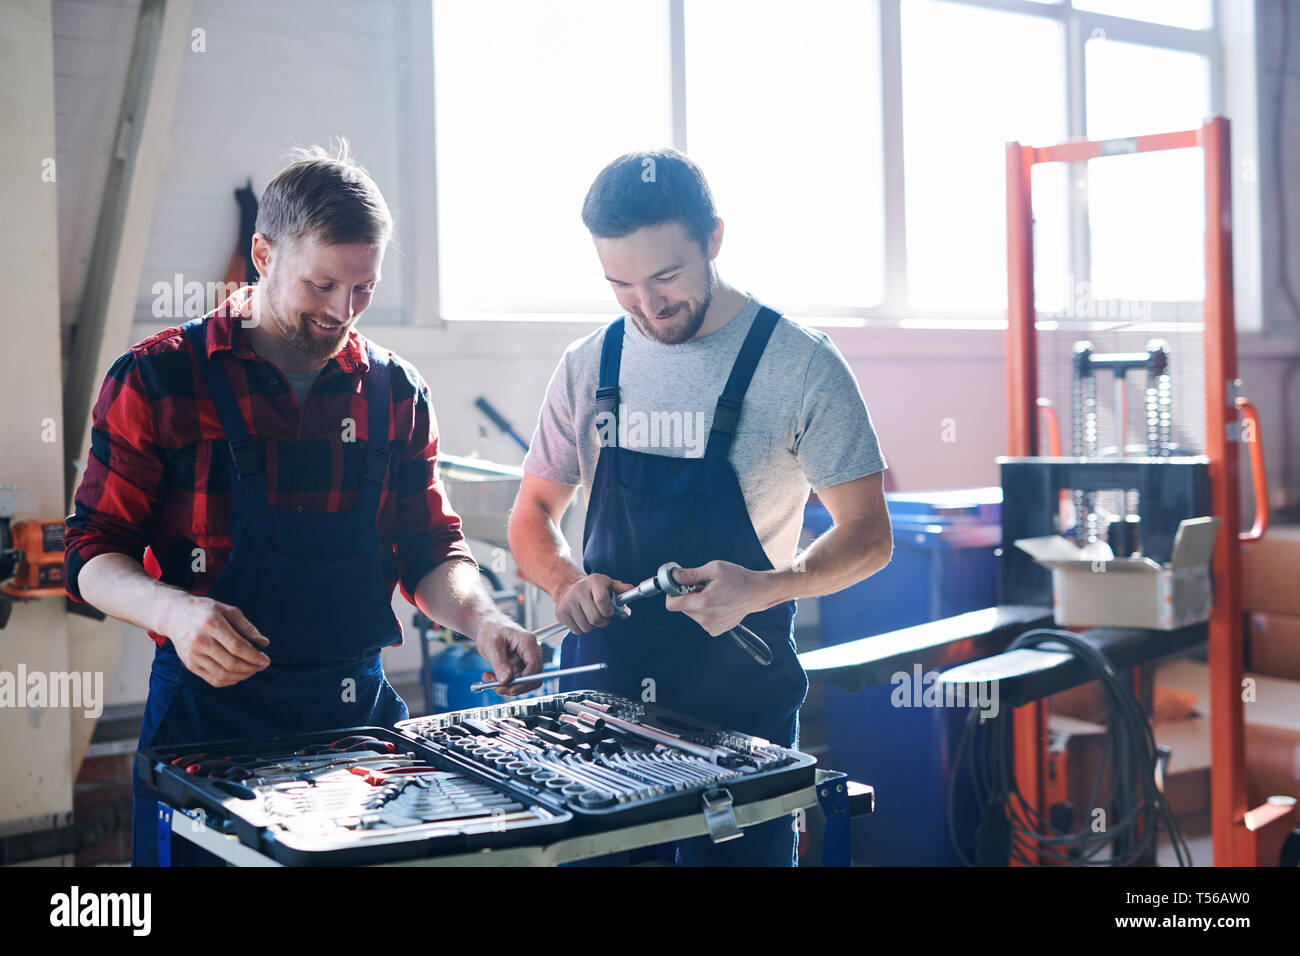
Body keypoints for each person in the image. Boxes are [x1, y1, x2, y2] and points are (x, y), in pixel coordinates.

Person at [64, 142, 540, 866]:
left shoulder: (395, 393)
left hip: (356, 725)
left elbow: (431, 549)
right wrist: (174, 612)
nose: (341, 312)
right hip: (205, 724)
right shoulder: (158, 379)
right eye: (321, 286)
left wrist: (483, 617)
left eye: (362, 290)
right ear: (263, 252)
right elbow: (91, 554)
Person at [507, 148, 893, 866]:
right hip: (600, 715)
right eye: (619, 283)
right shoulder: (590, 364)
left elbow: (869, 536)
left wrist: (767, 588)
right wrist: (567, 584)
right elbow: (532, 512)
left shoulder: (801, 365)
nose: (647, 305)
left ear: (714, 238)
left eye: (666, 277)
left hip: (739, 720)